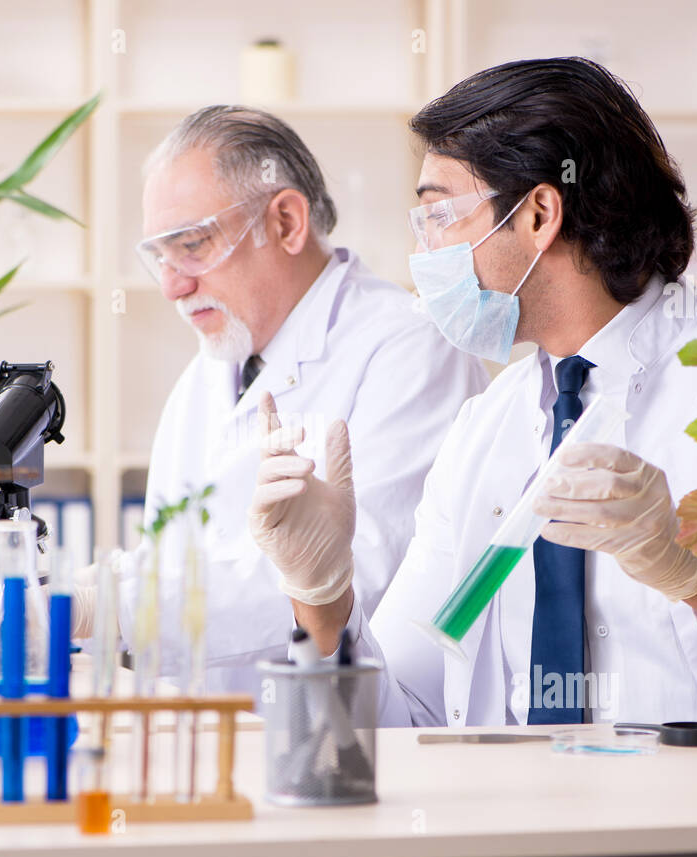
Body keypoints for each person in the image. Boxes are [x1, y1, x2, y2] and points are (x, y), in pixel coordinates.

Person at [249, 58, 697, 726]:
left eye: (439, 216)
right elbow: (403, 714)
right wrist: (322, 595)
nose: (424, 253)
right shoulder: (484, 428)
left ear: (540, 212)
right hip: (529, 826)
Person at [72, 105, 488, 696]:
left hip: (353, 738)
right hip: (214, 745)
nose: (171, 285)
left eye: (191, 246)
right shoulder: (204, 376)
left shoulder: (410, 349)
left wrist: (115, 608)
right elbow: (175, 559)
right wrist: (85, 591)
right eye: (160, 257)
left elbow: (345, 586)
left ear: (287, 222)